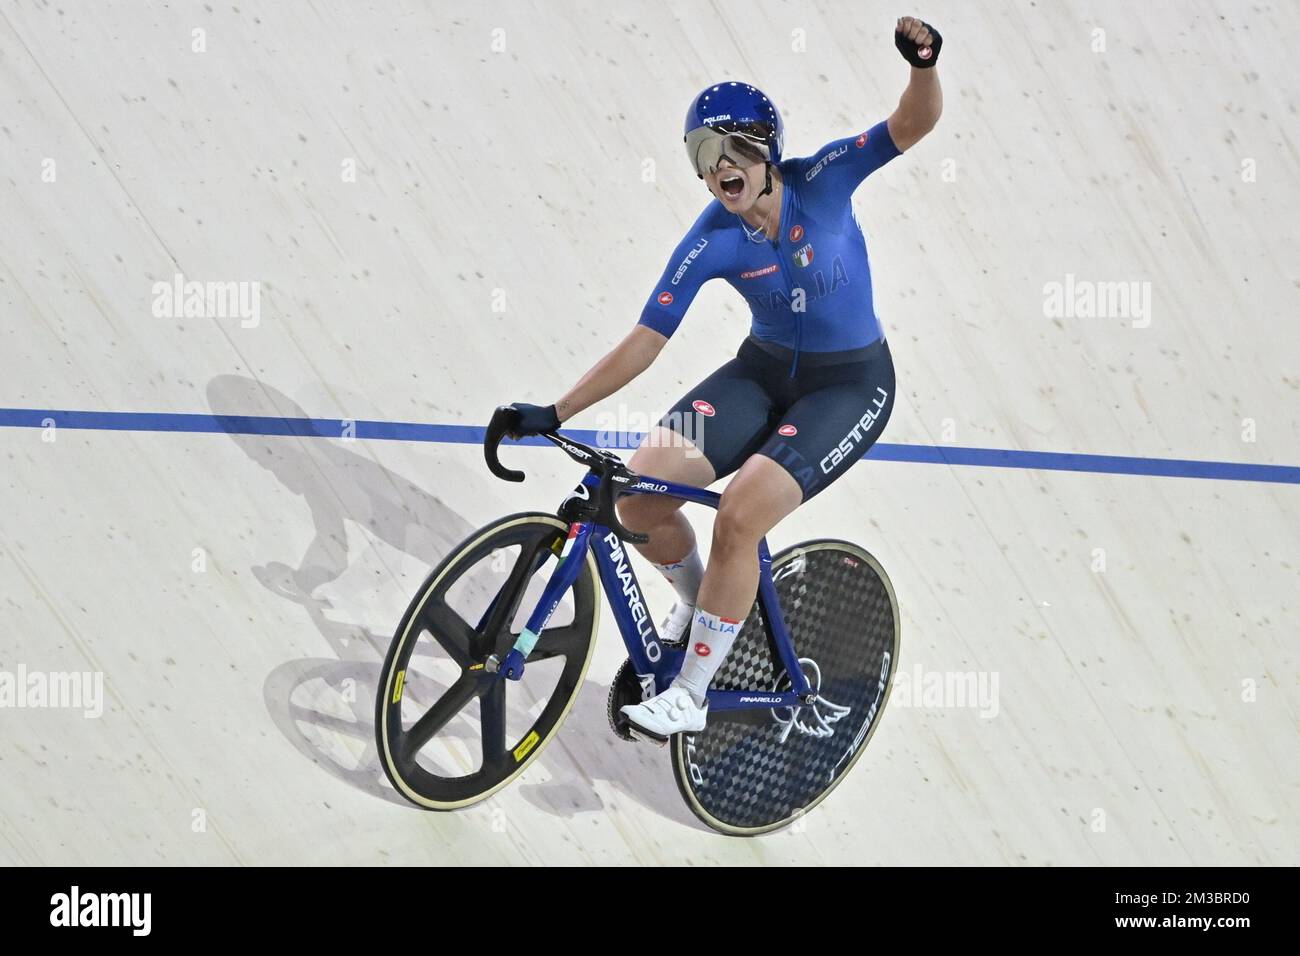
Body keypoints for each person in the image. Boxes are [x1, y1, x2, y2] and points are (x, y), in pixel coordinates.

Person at [505, 17, 943, 741]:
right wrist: (556, 410)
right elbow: (647, 338)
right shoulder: (713, 236)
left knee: (740, 512)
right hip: (763, 372)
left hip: (850, 387)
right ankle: (699, 600)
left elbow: (911, 122)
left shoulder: (824, 182)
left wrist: (922, 65)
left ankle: (694, 692)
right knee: (639, 498)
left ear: (766, 151)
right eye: (701, 156)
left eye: (729, 150)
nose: (716, 169)